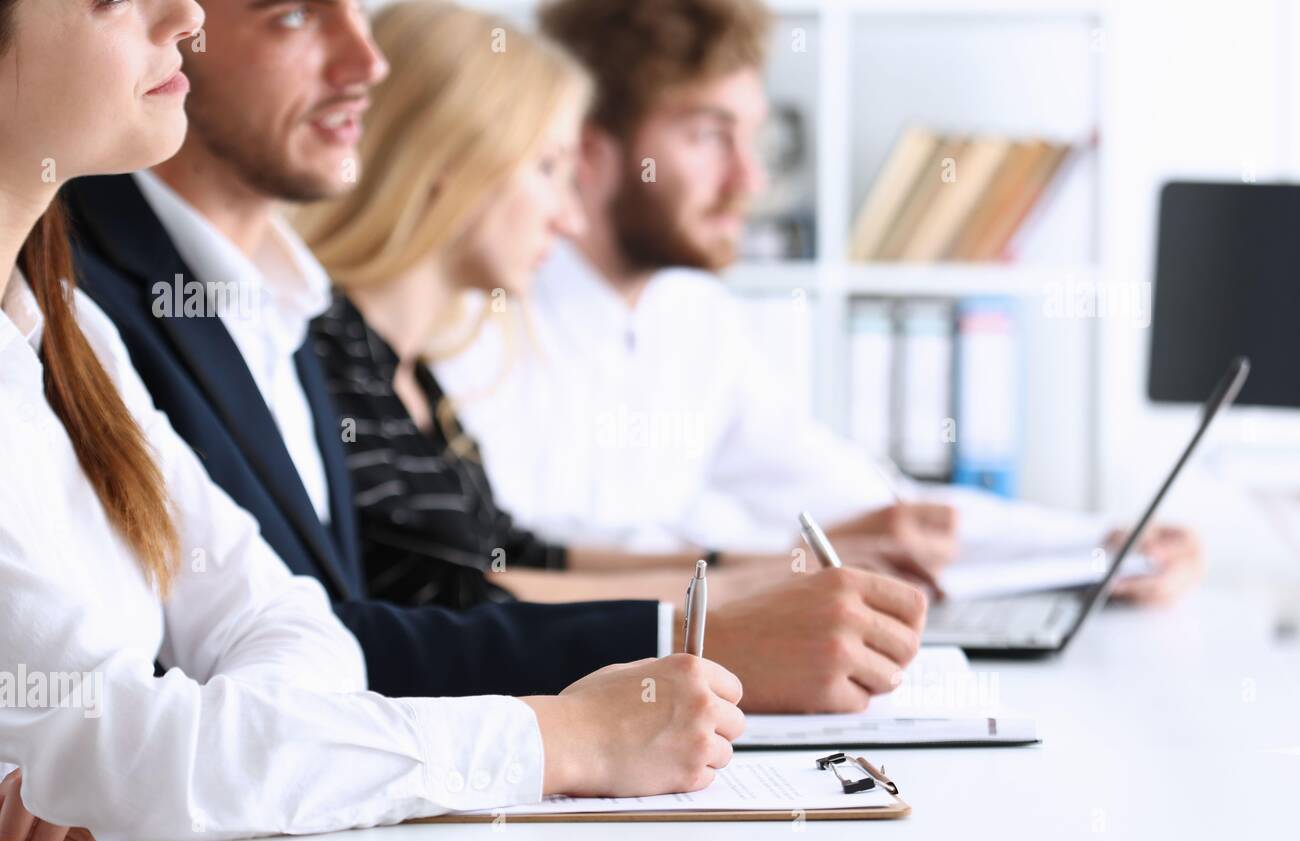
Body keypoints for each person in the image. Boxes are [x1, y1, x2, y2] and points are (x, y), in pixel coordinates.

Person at [0, 0, 744, 841]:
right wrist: (557, 740)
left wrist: (212, 754)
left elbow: (286, 621)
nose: (182, 14)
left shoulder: (65, 326)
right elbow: (122, 745)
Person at [63, 0, 928, 714]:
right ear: (449, 164)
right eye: (292, 16)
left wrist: (738, 594)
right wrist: (705, 629)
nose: (366, 61)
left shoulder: (294, 310)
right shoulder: (112, 294)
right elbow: (393, 615)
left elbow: (472, 569)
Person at [433, 0, 1204, 604]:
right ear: (591, 150)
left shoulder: (692, 318)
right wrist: (778, 555)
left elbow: (871, 504)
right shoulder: (476, 318)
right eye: (709, 136)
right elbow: (516, 555)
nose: (750, 180)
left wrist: (1105, 545)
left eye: (752, 139)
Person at [296, 0, 941, 617]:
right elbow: (449, 601)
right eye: (550, 168)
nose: (570, 215)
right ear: (450, 165)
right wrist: (732, 605)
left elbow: (518, 556)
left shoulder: (413, 377)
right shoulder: (331, 363)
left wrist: (770, 575)